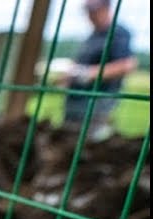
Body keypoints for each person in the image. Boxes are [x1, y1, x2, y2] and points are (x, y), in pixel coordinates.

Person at [60, 0, 138, 136]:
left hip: (97, 103)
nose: (90, 15)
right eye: (88, 11)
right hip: (76, 102)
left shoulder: (118, 33)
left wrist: (88, 74)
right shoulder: (92, 35)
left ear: (107, 8)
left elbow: (127, 64)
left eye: (94, 10)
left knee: (88, 144)